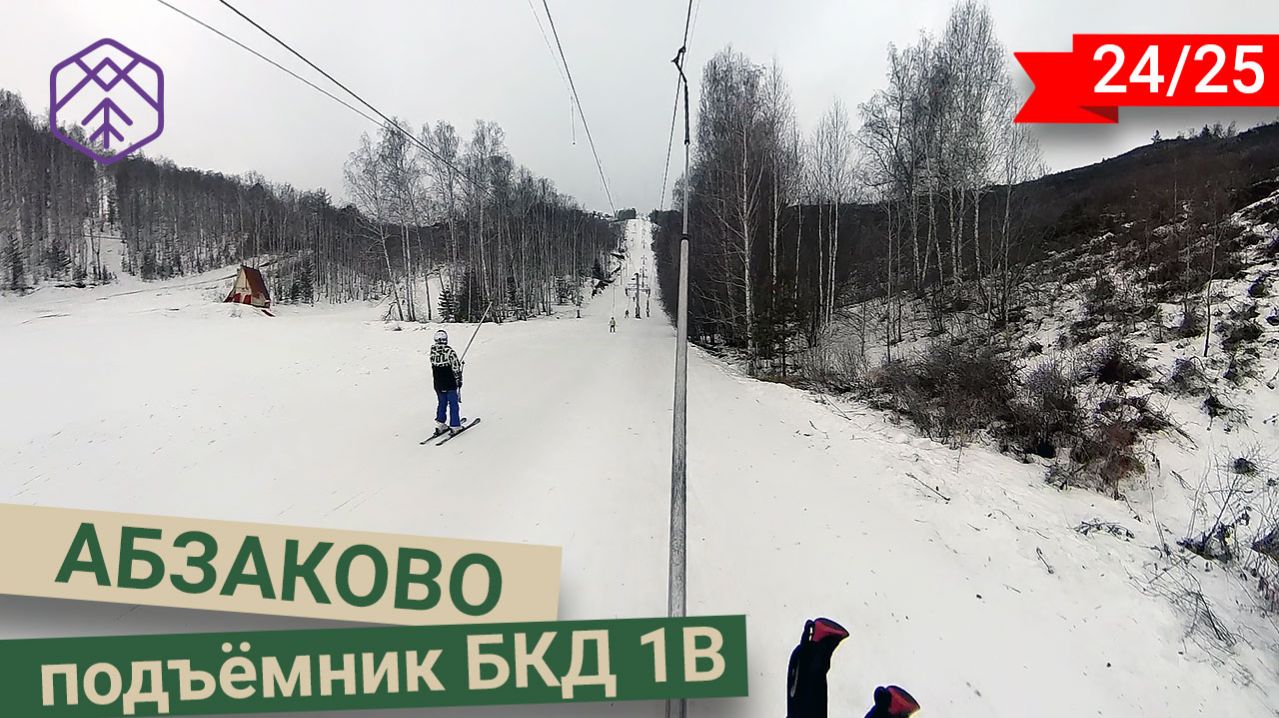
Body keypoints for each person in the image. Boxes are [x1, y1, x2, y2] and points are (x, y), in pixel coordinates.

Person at [430, 329, 464, 435]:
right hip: (449, 382)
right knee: (453, 404)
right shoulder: (449, 351)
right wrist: (458, 379)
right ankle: (455, 425)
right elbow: (455, 367)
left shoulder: (432, 351)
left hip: (438, 383)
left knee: (442, 403)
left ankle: (440, 424)